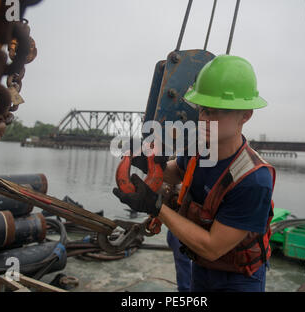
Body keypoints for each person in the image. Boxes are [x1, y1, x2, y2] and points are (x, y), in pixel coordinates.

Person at [113, 54, 276, 292]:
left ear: (245, 115)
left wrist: (156, 206)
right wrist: (150, 165)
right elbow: (178, 171)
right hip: (201, 266)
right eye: (203, 110)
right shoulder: (201, 147)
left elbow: (212, 246)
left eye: (217, 111)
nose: (205, 119)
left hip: (237, 279)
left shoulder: (253, 179)